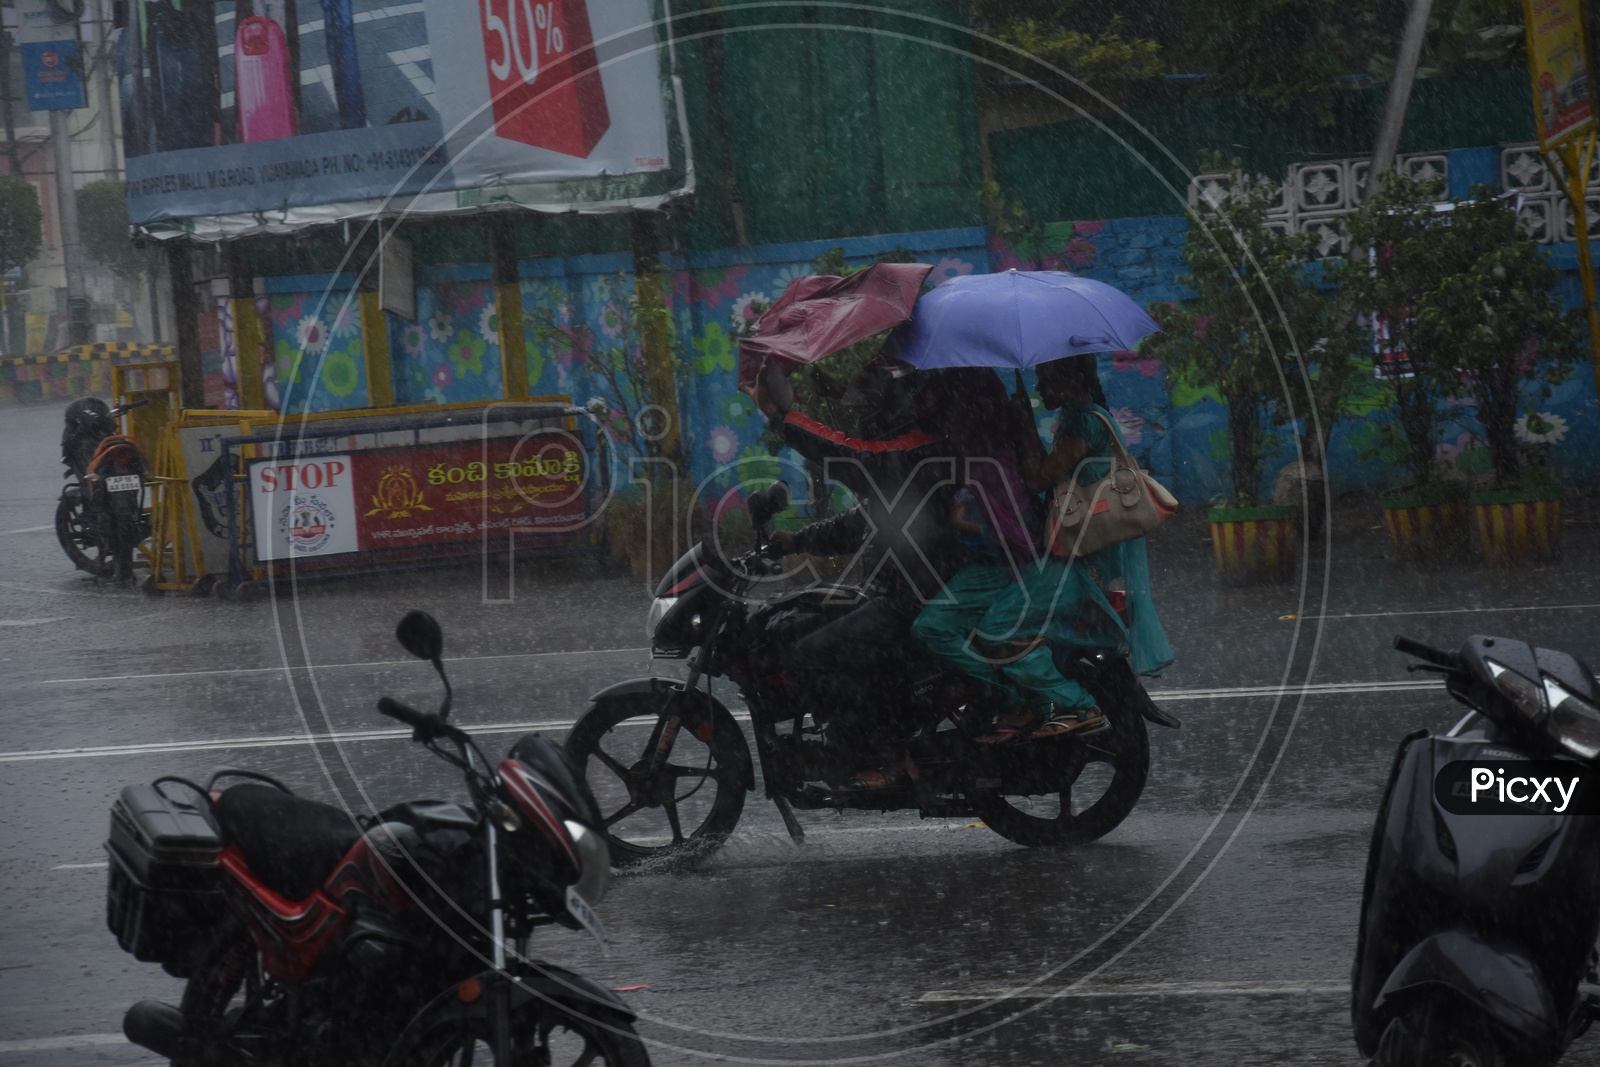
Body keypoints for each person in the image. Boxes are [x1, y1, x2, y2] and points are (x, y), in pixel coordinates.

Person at [914, 354, 1173, 740]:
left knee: (1002, 627)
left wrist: (1021, 424)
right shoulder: (1073, 419)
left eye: (1044, 378)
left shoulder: (1084, 421)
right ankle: (1028, 700)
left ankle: (1073, 702)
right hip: (1070, 550)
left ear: (1068, 379)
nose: (1038, 386)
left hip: (1081, 558)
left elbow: (1037, 479)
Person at [747, 360, 968, 790]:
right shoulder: (912, 453)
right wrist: (797, 541)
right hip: (894, 589)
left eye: (873, 407)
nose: (866, 418)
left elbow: (853, 459)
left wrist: (781, 417)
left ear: (902, 406)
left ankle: (881, 756)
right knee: (807, 618)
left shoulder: (918, 450)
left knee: (810, 653)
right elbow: (867, 521)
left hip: (917, 596)